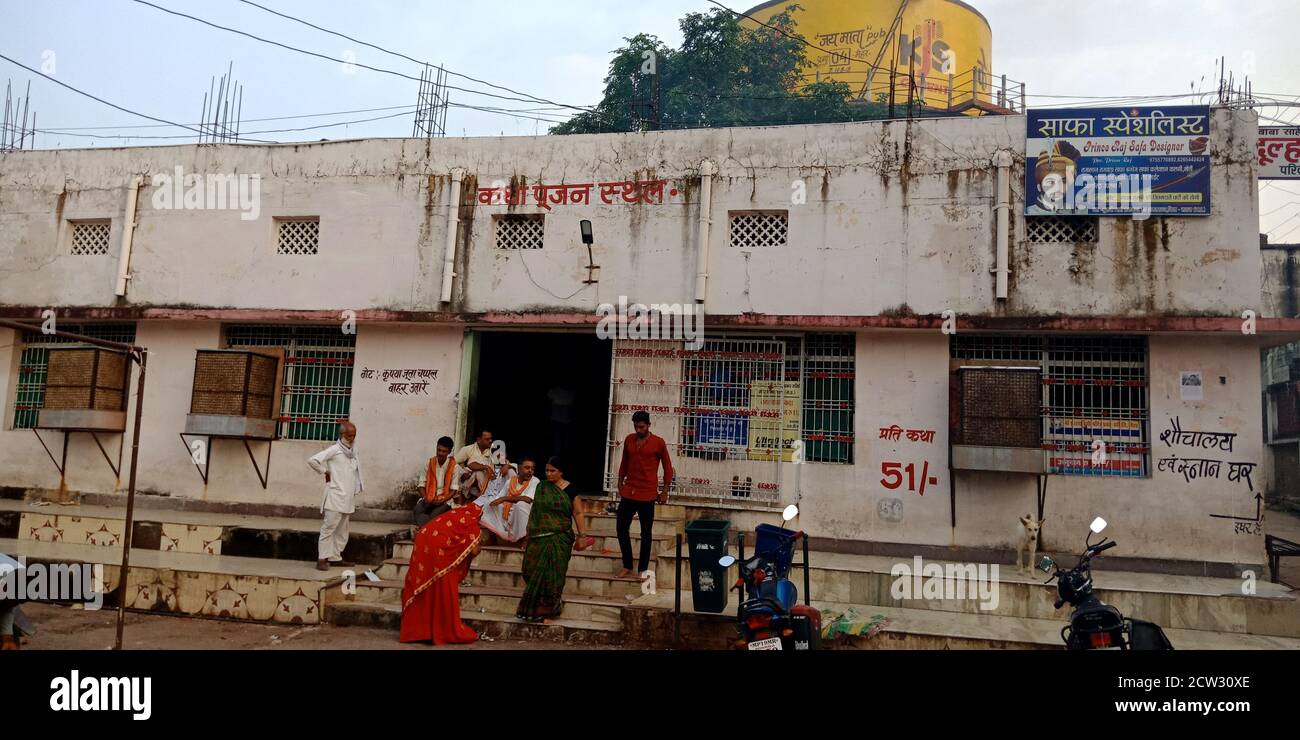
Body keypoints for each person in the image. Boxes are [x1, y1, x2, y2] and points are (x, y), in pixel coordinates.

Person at [516, 457, 595, 622]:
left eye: (553, 471)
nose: (549, 474)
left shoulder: (570, 489)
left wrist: (582, 536)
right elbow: (535, 512)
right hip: (538, 538)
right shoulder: (542, 487)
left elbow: (578, 513)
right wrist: (528, 535)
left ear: (561, 472)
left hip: (560, 538)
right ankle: (533, 610)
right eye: (546, 471)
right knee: (530, 570)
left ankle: (547, 612)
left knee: (553, 576)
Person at [399, 503, 483, 645]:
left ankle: (418, 632)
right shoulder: (472, 524)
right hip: (443, 556)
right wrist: (479, 544)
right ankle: (443, 632)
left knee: (424, 588)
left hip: (423, 541)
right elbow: (474, 551)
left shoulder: (450, 516)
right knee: (443, 593)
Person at [615, 410, 674, 580]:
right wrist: (620, 481)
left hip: (648, 494)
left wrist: (665, 490)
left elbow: (667, 467)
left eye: (641, 427)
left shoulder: (658, 443)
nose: (638, 430)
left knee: (645, 533)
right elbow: (624, 461)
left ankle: (642, 569)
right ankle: (627, 565)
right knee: (621, 528)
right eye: (635, 427)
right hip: (629, 490)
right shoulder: (629, 440)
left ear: (648, 425)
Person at [308, 421, 363, 572]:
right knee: (329, 528)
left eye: (354, 435)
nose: (352, 438)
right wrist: (325, 471)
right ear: (341, 435)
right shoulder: (334, 449)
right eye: (349, 435)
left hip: (348, 497)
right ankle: (322, 559)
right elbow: (312, 460)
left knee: (342, 530)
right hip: (335, 495)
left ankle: (335, 557)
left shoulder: (353, 451)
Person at [479, 455, 539, 546]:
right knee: (489, 504)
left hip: (525, 512)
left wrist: (504, 499)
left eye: (532, 468)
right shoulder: (511, 481)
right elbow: (499, 497)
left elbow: (527, 499)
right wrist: (492, 502)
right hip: (508, 512)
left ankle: (523, 539)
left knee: (520, 505)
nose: (530, 471)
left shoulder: (535, 481)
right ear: (518, 468)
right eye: (527, 468)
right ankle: (492, 537)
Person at [415, 436, 459, 529]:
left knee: (434, 515)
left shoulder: (454, 466)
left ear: (449, 452)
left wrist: (442, 500)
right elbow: (421, 485)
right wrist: (425, 497)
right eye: (438, 450)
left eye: (444, 451)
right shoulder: (429, 463)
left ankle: (424, 530)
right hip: (429, 498)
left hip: (444, 500)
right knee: (418, 509)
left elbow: (454, 490)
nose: (440, 453)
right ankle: (427, 531)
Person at [455, 429, 496, 500]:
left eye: (491, 439)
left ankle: (485, 495)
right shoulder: (468, 449)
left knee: (480, 471)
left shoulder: (492, 452)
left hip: (485, 484)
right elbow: (452, 463)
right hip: (466, 483)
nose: (490, 441)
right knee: (456, 468)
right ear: (479, 440)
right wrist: (462, 474)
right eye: (487, 439)